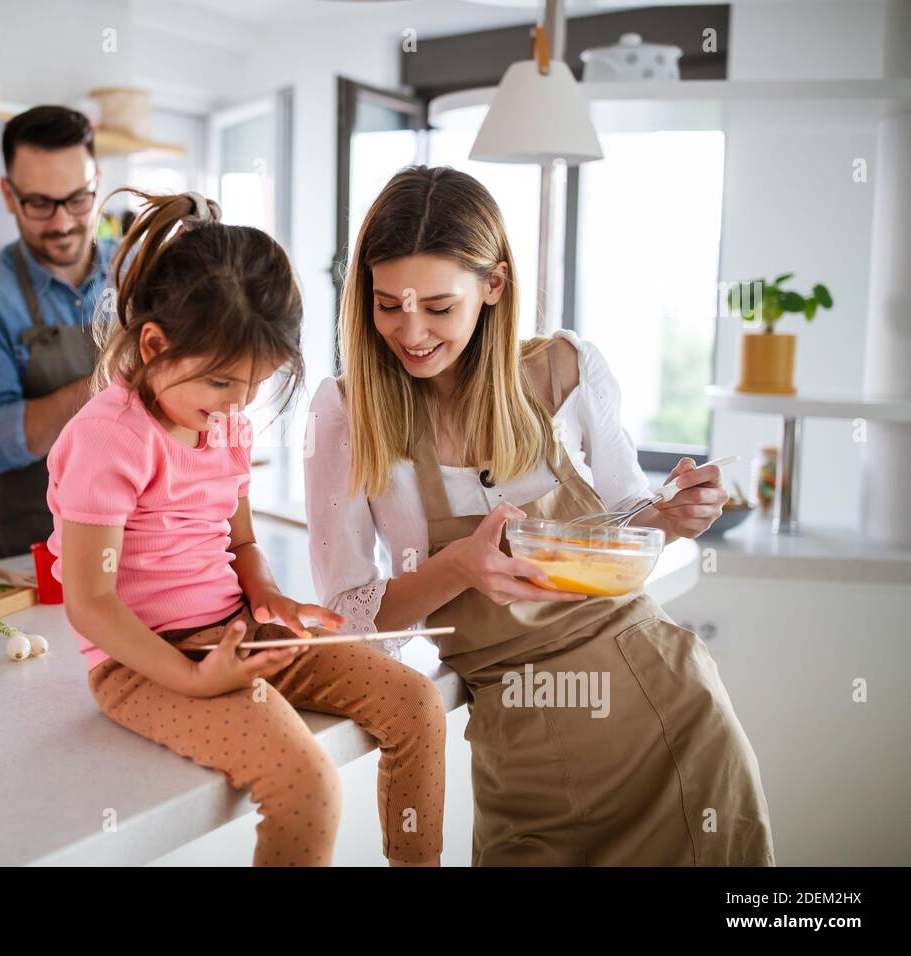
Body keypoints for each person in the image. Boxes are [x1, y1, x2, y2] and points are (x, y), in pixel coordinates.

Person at [305, 165, 775, 866]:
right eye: (387, 305)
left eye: (438, 307)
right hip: (526, 749)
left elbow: (629, 524)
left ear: (494, 286)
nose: (410, 332)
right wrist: (456, 568)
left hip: (667, 714)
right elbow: (350, 626)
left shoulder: (565, 369)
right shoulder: (346, 412)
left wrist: (676, 516)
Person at [46, 189, 448, 867]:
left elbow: (241, 544)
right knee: (305, 783)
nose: (240, 406)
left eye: (256, 385)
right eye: (224, 384)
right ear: (154, 344)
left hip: (235, 630)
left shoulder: (222, 422)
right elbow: (90, 603)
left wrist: (270, 600)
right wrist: (193, 677)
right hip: (141, 663)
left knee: (416, 702)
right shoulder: (108, 439)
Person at [0, 106, 117, 560]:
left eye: (78, 199)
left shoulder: (141, 271)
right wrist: (109, 383)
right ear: (8, 193)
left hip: (141, 540)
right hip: (32, 550)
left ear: (97, 178)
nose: (61, 224)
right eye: (39, 203)